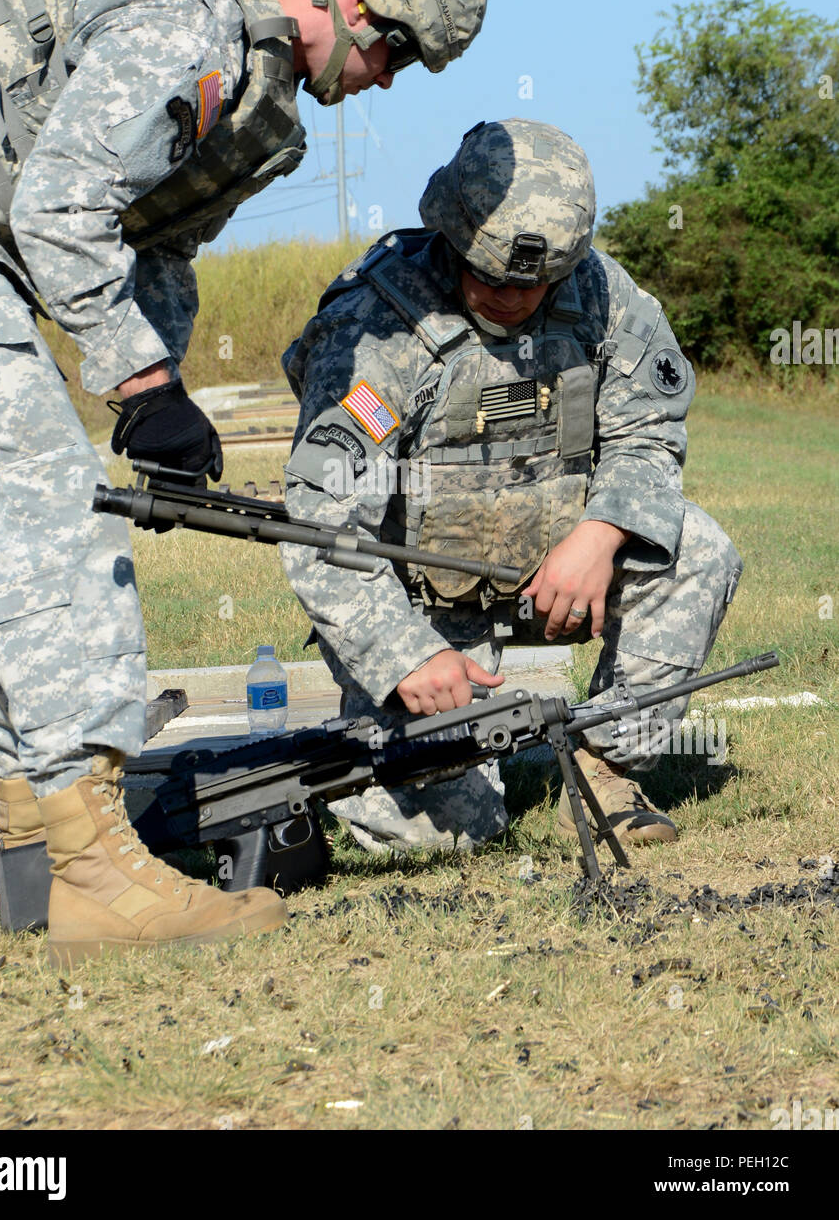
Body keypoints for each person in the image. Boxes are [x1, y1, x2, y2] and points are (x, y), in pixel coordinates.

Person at [0, 0, 487, 967]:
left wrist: (160, 393)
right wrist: (140, 389)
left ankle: (33, 863)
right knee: (48, 512)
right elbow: (59, 208)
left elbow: (156, 250)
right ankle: (93, 873)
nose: (382, 81)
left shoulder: (264, 112)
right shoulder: (185, 22)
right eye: (396, 52)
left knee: (8, 534)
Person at [279, 119, 743, 856]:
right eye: (490, 276)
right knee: (442, 839)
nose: (512, 298)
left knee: (700, 549)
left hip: (561, 576)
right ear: (454, 236)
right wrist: (403, 654)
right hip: (423, 611)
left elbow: (647, 434)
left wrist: (602, 535)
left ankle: (605, 771)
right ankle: (424, 762)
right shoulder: (376, 325)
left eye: (534, 283)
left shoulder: (601, 295)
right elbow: (321, 522)